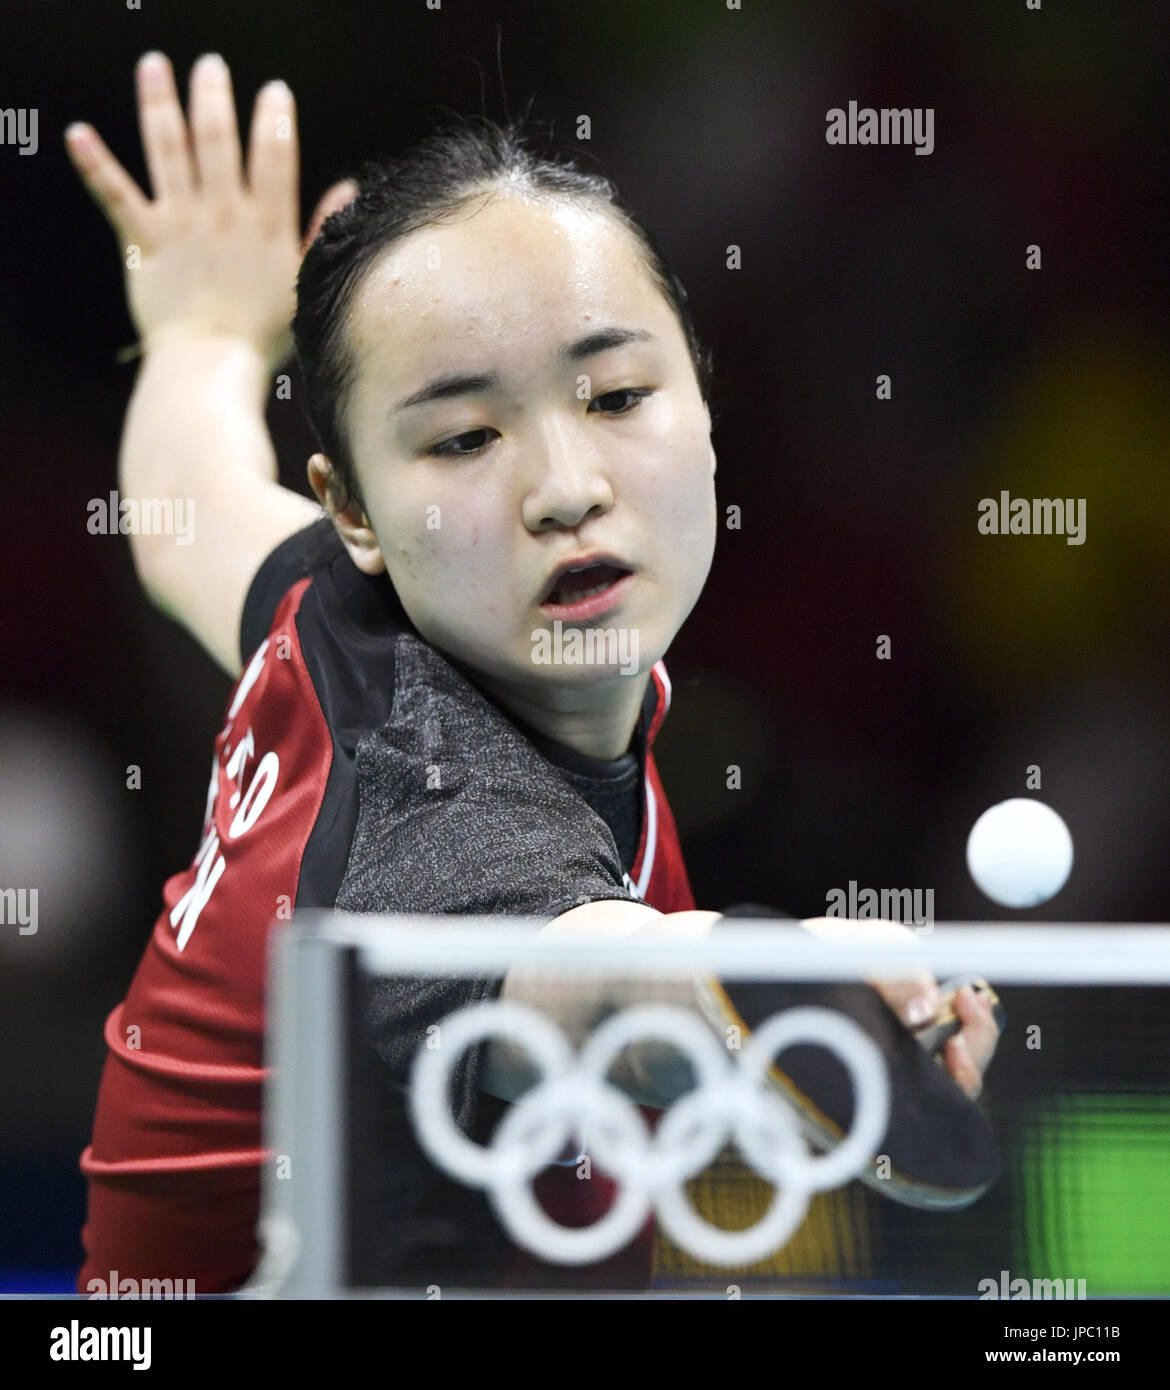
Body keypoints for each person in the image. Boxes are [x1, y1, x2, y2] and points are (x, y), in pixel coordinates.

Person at [66, 51, 999, 1293]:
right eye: (464, 437)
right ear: (354, 510)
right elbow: (595, 985)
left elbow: (184, 507)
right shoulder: (435, 798)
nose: (567, 488)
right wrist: (767, 988)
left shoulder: (335, 606)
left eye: (615, 395)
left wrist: (198, 333)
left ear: (707, 406)